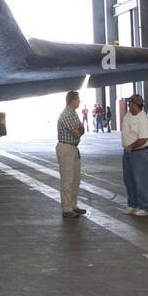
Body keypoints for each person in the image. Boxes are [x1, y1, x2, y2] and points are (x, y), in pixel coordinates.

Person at [120, 94, 148, 216]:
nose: (129, 105)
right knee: (129, 180)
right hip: (129, 153)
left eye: (130, 103)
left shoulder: (143, 118)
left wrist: (131, 147)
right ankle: (132, 204)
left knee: (141, 180)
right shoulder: (128, 115)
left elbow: (143, 138)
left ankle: (143, 207)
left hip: (141, 153)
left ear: (135, 104)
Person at [56, 90, 87, 218]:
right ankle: (67, 208)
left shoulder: (73, 113)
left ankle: (73, 205)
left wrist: (79, 130)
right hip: (66, 148)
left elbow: (82, 129)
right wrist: (79, 130)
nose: (79, 101)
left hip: (73, 148)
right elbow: (77, 133)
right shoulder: (67, 114)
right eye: (78, 99)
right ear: (72, 100)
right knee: (68, 179)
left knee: (75, 178)